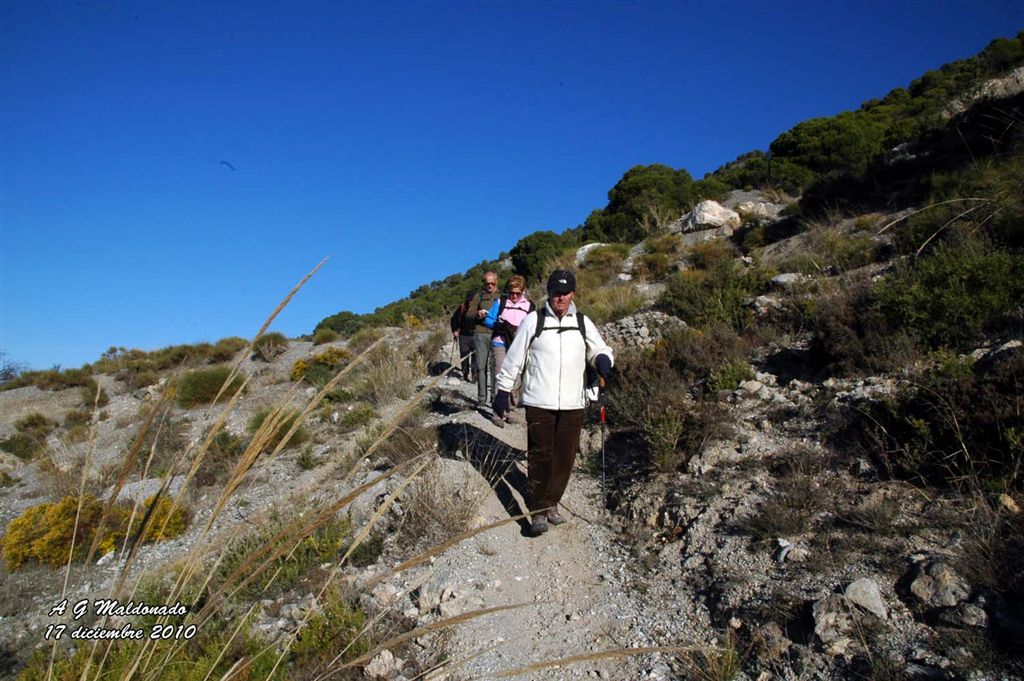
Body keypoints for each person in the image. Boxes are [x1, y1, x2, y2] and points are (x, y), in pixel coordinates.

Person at [492, 269, 613, 536]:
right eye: (557, 293)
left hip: (573, 403)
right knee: (539, 455)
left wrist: (603, 360)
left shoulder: (582, 322)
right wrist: (503, 391)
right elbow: (515, 358)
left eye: (566, 292)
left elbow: (600, 348)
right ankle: (537, 511)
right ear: (548, 293)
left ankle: (551, 503)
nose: (561, 297)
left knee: (565, 458)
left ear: (573, 293)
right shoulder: (533, 321)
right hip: (539, 401)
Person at [482, 275, 534, 425]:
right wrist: (499, 326)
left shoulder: (529, 306)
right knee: (500, 375)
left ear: (523, 291)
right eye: (512, 293)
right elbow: (488, 319)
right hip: (500, 343)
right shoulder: (501, 302)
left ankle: (510, 410)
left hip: (519, 346)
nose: (515, 296)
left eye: (518, 293)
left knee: (516, 378)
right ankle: (497, 412)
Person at [466, 271, 502, 407]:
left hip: (497, 334)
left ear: (496, 282)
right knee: (481, 367)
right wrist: (477, 314)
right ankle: (481, 398)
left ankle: (494, 396)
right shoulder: (478, 296)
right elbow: (468, 314)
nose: (490, 286)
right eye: (487, 284)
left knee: (495, 367)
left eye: (493, 283)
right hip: (480, 334)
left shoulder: (502, 296)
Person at [449, 289, 478, 382]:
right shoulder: (462, 307)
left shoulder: (479, 308)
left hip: (476, 335)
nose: (471, 302)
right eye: (470, 300)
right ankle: (464, 373)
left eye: (472, 300)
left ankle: (475, 375)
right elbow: (453, 319)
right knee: (464, 354)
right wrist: (454, 330)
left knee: (475, 357)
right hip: (463, 336)